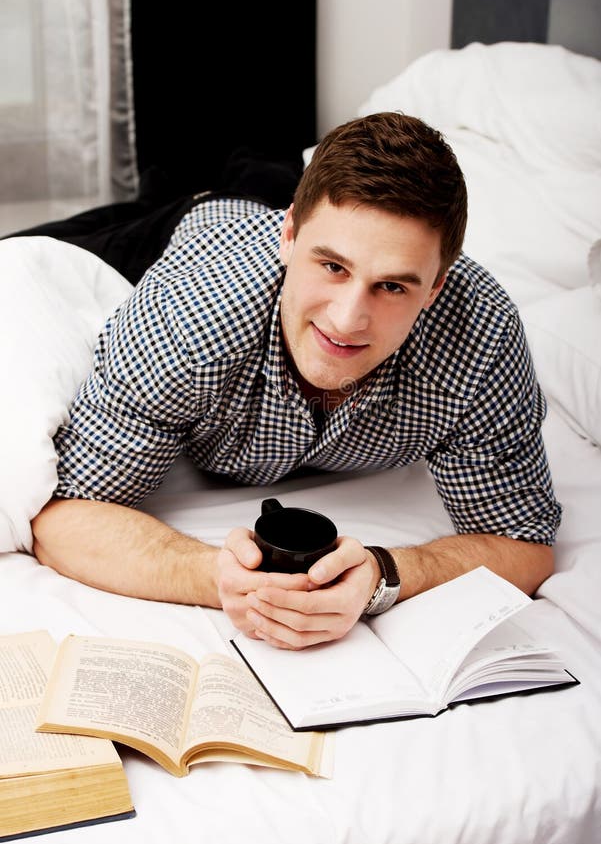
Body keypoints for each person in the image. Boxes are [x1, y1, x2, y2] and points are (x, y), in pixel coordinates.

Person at [31, 112, 561, 650]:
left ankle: (279, 185)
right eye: (333, 267)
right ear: (288, 237)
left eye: (393, 287)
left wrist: (387, 573)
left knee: (265, 173)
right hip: (191, 222)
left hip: (280, 207)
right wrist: (219, 577)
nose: (349, 319)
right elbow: (61, 521)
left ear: (435, 288)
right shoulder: (191, 320)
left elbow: (525, 545)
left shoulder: (483, 336)